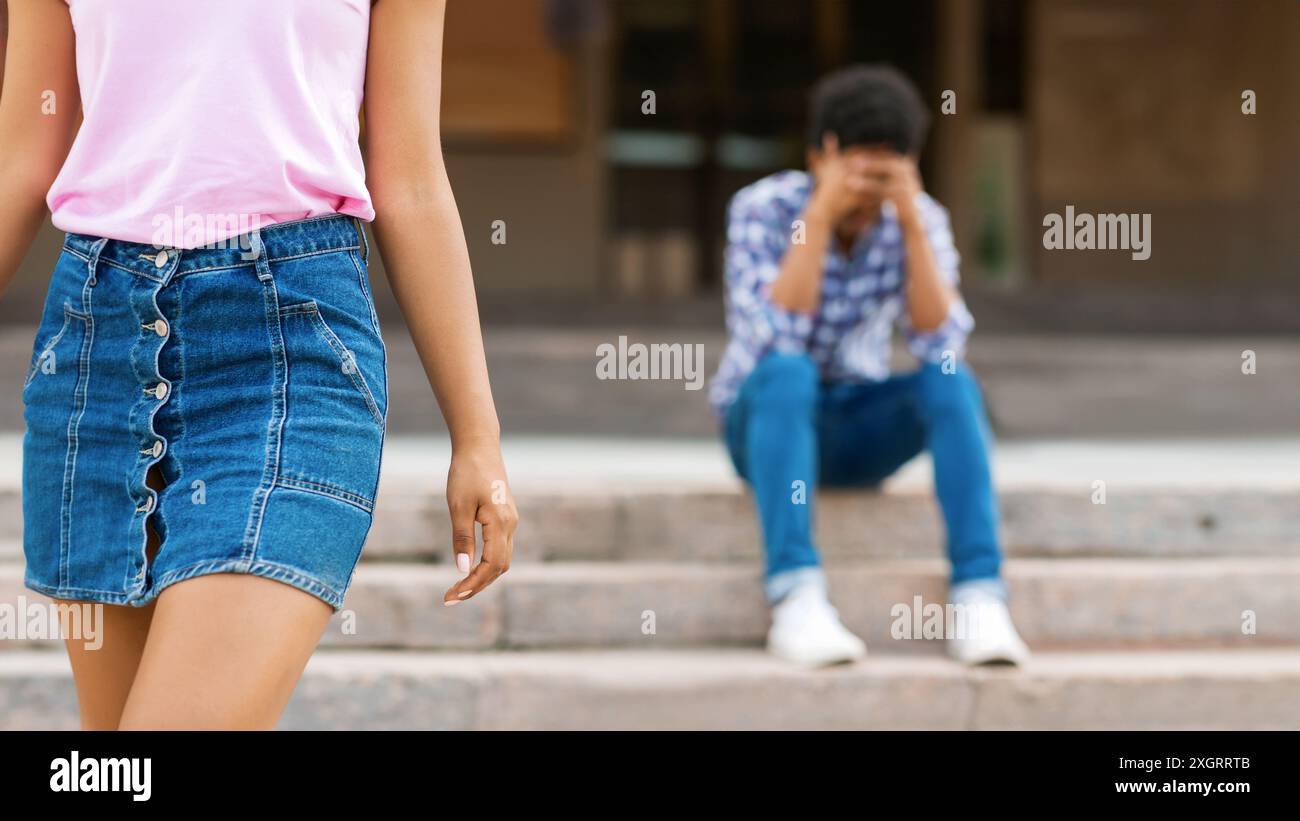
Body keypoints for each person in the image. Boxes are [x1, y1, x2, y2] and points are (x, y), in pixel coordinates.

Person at [0, 0, 517, 728]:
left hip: (289, 348)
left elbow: (410, 179)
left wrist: (478, 436)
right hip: (96, 348)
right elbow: (20, 163)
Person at [708, 64, 1028, 667]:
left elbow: (941, 343)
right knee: (788, 373)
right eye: (859, 171)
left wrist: (910, 226)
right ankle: (796, 597)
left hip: (857, 427)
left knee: (954, 383)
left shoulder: (919, 217)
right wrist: (821, 215)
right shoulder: (762, 208)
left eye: (884, 174)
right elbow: (776, 336)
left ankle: (980, 597)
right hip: (765, 426)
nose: (866, 197)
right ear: (818, 155)